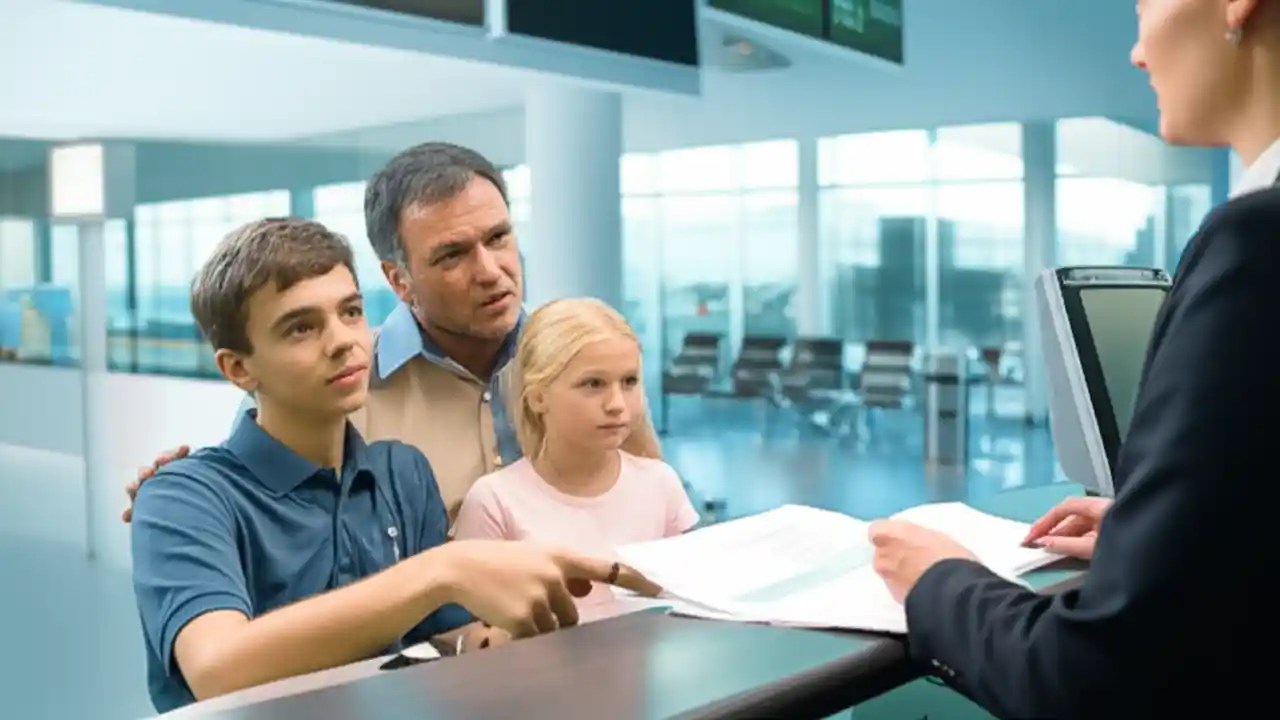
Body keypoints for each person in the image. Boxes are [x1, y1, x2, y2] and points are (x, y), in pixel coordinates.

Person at [867, 1, 1280, 716]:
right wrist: (1162, 539)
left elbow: (1099, 681)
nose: (1137, 51)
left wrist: (940, 580)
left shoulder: (1259, 245)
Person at [130, 218, 649, 713]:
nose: (343, 341)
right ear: (238, 368)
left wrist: (539, 631)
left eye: (351, 312)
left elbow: (450, 636)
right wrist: (441, 571)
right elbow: (217, 668)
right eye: (300, 328)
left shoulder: (402, 472)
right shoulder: (182, 497)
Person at [124, 142, 526, 522]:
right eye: (452, 255)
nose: (491, 272)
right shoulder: (337, 384)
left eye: (498, 237)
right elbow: (260, 512)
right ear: (398, 280)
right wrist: (189, 495)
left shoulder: (578, 350)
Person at [453, 298, 700, 607]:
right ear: (538, 398)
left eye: (629, 382)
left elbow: (690, 602)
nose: (617, 404)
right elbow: (475, 627)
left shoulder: (661, 484)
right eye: (593, 384)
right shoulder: (494, 501)